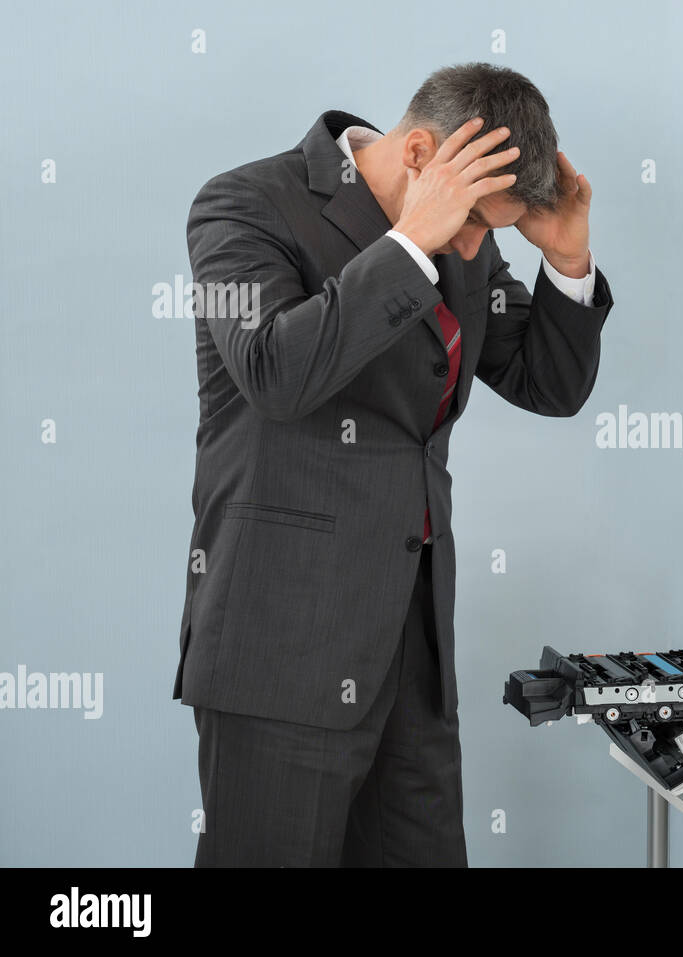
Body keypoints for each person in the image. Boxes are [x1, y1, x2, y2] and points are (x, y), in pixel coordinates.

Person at [174, 62, 613, 866]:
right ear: (419, 152)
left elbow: (545, 382)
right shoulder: (243, 205)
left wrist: (567, 261)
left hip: (411, 650)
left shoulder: (465, 234)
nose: (480, 245)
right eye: (479, 221)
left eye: (496, 229)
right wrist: (414, 241)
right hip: (284, 647)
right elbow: (276, 370)